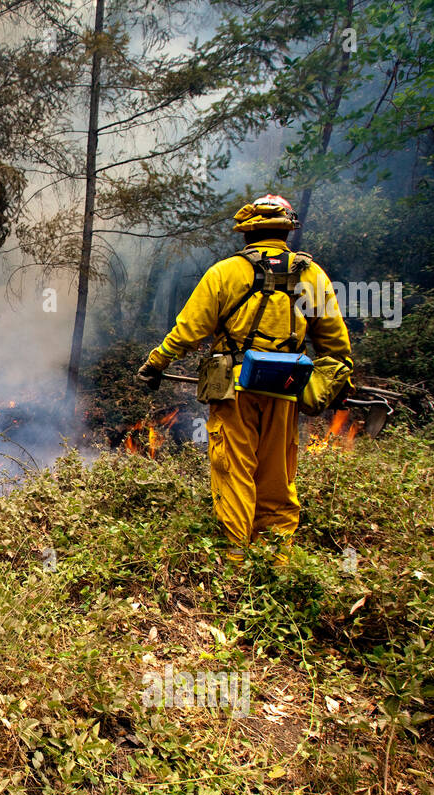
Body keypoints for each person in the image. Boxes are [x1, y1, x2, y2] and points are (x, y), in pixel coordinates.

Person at [134, 196, 352, 563]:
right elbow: (336, 345)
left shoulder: (226, 272)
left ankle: (235, 563)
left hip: (234, 390)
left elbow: (190, 330)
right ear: (287, 230)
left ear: (246, 231)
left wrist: (157, 362)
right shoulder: (312, 276)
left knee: (234, 472)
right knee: (277, 477)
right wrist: (333, 385)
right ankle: (276, 562)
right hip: (285, 390)